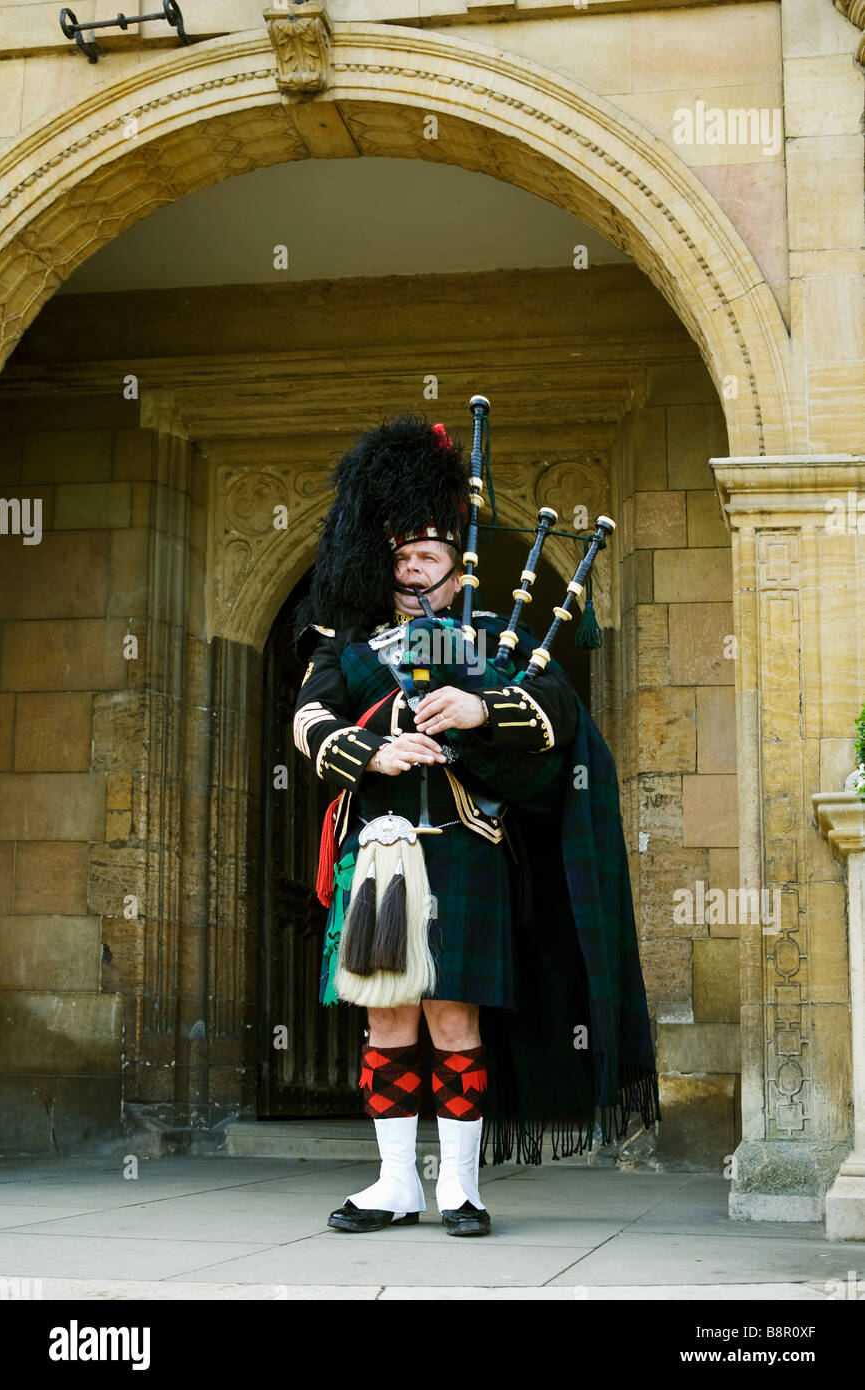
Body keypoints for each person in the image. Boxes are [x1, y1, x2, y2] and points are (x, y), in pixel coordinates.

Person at [292, 413, 660, 1237]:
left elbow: (553, 715)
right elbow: (308, 722)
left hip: (465, 852)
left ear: (457, 570)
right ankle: (394, 1184)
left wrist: (479, 704)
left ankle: (460, 1187)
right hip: (380, 853)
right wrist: (369, 751)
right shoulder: (349, 646)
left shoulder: (496, 638)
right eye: (400, 559)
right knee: (386, 1019)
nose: (412, 571)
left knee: (453, 1019)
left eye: (427, 558)